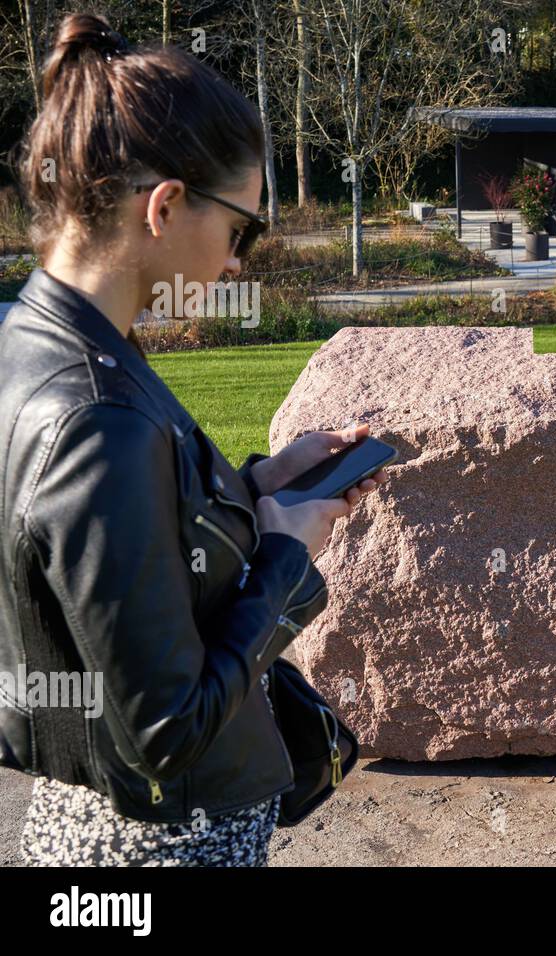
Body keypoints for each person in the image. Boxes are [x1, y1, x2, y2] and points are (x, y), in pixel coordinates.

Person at [0, 13, 387, 866]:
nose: (238, 263)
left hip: (95, 817)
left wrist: (255, 489)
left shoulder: (41, 341)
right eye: (240, 228)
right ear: (166, 205)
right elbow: (166, 728)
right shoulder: (92, 414)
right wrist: (286, 559)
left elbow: (107, 565)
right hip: (157, 846)